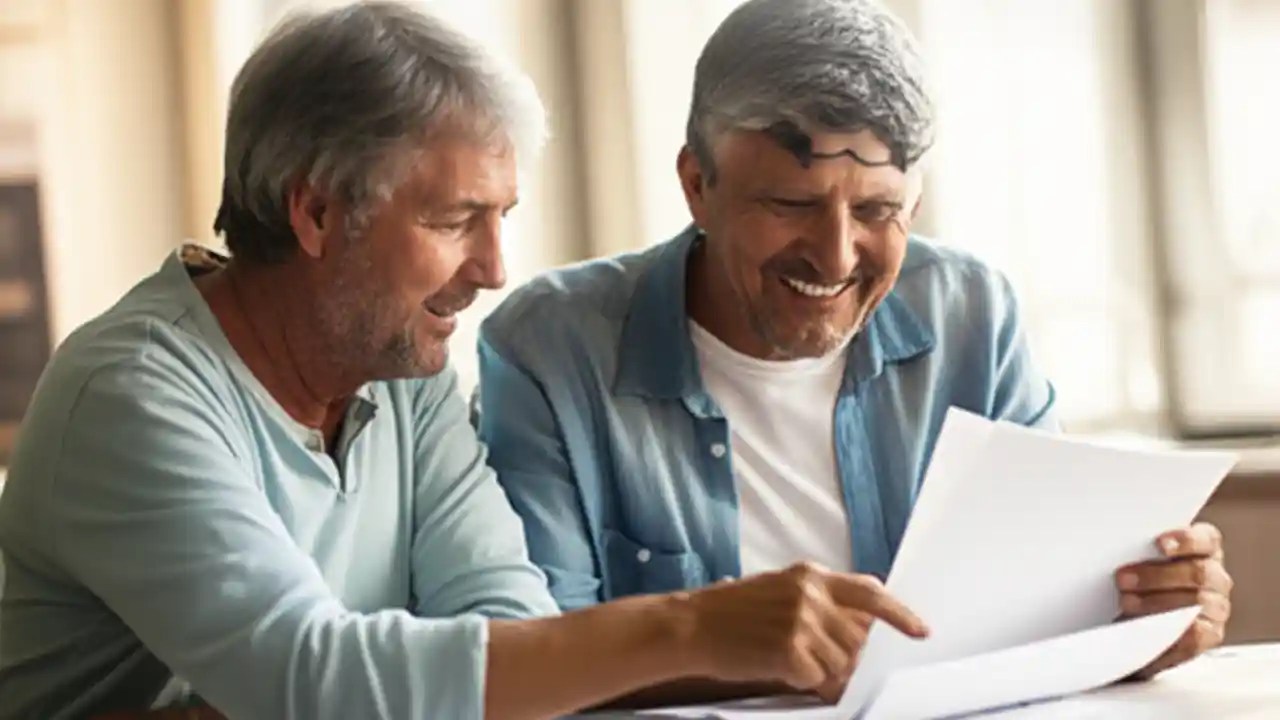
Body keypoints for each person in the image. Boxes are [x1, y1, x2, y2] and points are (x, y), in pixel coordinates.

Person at [0, 3, 933, 719]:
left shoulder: (403, 377)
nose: (493, 272)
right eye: (454, 223)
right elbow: (311, 681)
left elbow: (504, 626)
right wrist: (695, 628)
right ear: (317, 213)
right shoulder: (131, 396)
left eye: (501, 220)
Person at [478, 0, 1233, 682]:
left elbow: (1048, 600)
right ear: (696, 184)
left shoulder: (972, 313)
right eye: (790, 203)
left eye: (878, 210)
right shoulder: (550, 348)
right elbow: (534, 654)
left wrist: (1139, 620)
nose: (837, 257)